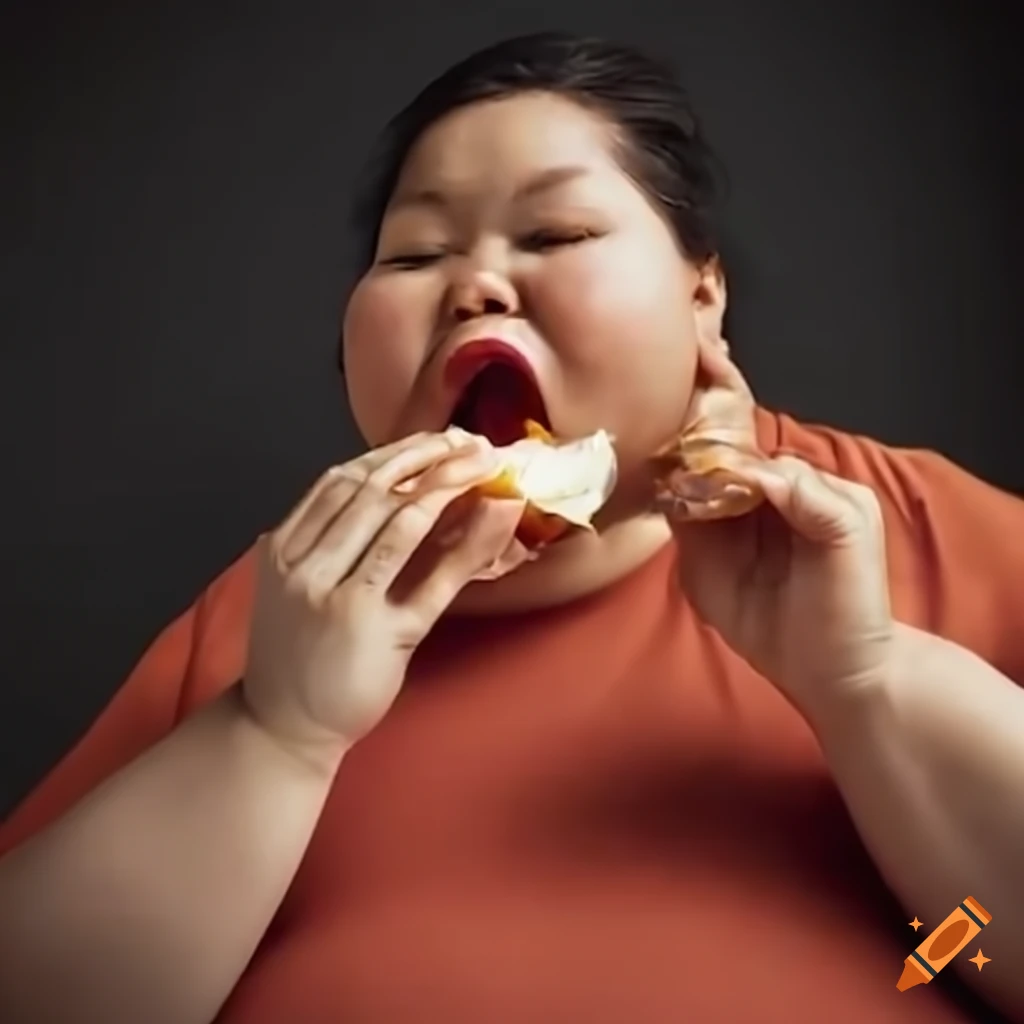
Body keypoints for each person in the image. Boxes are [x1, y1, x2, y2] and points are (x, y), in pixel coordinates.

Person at [1, 31, 1022, 1024]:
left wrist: (865, 681)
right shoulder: (275, 608)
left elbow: (984, 940)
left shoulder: (906, 520)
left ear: (702, 295)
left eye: (555, 236)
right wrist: (278, 729)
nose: (475, 284)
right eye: (415, 253)